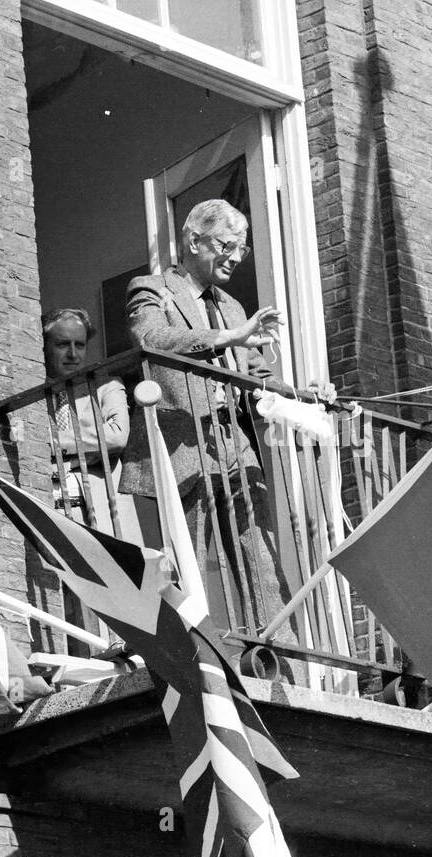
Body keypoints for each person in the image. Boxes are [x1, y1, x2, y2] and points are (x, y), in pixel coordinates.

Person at [119, 199, 299, 661]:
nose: (236, 257)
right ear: (194, 240)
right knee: (189, 554)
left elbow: (252, 374)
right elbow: (152, 339)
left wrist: (296, 393)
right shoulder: (152, 287)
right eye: (226, 245)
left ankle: (279, 652)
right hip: (179, 439)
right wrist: (226, 339)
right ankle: (196, 655)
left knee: (258, 547)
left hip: (231, 441)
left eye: (242, 249)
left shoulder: (234, 306)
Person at [41, 307, 140, 543]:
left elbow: (117, 436)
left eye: (80, 345)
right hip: (49, 505)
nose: (73, 354)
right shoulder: (31, 393)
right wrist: (92, 447)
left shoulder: (107, 386)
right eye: (63, 344)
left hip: (103, 511)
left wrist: (52, 442)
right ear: (43, 345)